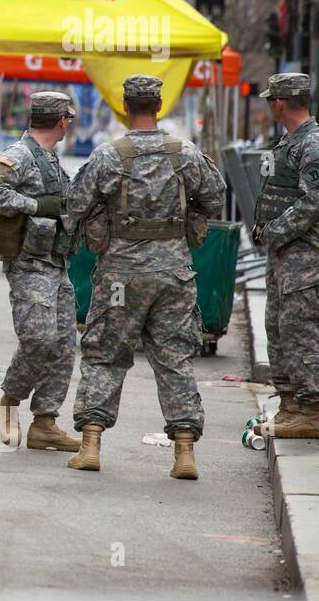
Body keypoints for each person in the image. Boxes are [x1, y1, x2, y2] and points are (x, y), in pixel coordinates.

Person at [61, 75, 225, 479]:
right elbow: (217, 197)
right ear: (160, 104)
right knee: (174, 359)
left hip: (121, 274)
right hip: (173, 273)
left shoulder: (108, 155)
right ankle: (184, 454)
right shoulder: (185, 153)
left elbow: (76, 203)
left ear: (124, 103)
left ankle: (91, 446)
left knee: (105, 356)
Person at [0, 91, 80, 452]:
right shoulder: (19, 155)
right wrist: (34, 204)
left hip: (57, 262)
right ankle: (10, 399)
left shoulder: (52, 160)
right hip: (28, 261)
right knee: (38, 337)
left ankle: (45, 422)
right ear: (62, 121)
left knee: (64, 345)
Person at [252, 73, 319, 439]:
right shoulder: (291, 142)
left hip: (305, 260)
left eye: (270, 100)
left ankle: (312, 408)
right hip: (285, 257)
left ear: (280, 102)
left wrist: (274, 230)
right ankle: (292, 402)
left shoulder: (312, 144)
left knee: (300, 330)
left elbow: (313, 202)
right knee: (279, 329)